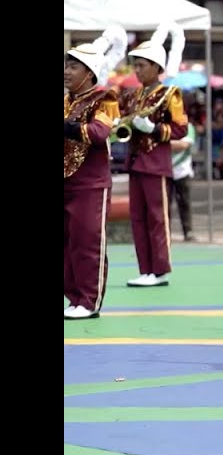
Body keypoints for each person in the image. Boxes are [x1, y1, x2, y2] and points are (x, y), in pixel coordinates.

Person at [119, 36, 188, 288]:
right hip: (135, 162)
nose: (137, 71)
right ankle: (145, 269)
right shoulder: (130, 96)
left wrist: (153, 128)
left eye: (142, 65)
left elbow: (180, 128)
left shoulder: (170, 94)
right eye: (135, 66)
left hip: (156, 163)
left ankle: (159, 271)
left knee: (157, 218)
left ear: (157, 67)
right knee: (137, 218)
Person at [64, 40, 122, 320]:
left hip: (91, 183)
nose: (66, 71)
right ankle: (74, 298)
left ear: (89, 72)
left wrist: (67, 126)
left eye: (73, 66)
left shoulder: (105, 99)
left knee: (87, 242)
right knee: (67, 242)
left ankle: (89, 301)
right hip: (66, 181)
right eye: (66, 65)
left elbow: (99, 133)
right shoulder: (65, 101)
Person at [169, 120, 196, 242]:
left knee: (184, 203)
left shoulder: (188, 126)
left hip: (182, 171)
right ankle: (166, 232)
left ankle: (188, 231)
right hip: (166, 171)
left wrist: (164, 143)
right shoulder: (166, 125)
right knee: (165, 205)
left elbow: (184, 145)